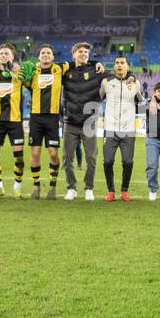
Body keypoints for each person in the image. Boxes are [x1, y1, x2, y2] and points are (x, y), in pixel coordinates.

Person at [0, 43, 32, 198]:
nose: (3, 56)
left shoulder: (19, 73)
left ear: (12, 56)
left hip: (15, 121)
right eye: (1, 53)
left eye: (6, 53)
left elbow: (28, 78)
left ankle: (17, 186)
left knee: (18, 156)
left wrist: (16, 68)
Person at [61, 41, 106, 200]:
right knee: (67, 159)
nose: (83, 54)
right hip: (70, 122)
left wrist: (132, 76)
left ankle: (89, 188)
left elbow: (119, 75)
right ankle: (71, 188)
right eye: (80, 52)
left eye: (86, 53)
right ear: (74, 54)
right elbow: (49, 69)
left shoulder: (96, 70)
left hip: (89, 123)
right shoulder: (65, 70)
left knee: (91, 159)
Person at [25, 44, 67, 199]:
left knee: (53, 153)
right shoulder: (33, 71)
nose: (46, 55)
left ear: (53, 56)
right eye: (43, 53)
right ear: (39, 56)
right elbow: (17, 77)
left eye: (49, 52)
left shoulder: (60, 68)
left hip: (52, 117)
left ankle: (52, 187)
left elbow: (78, 63)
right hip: (35, 117)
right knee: (35, 153)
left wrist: (96, 63)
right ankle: (36, 187)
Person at [99, 55, 144, 201]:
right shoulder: (106, 82)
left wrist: (134, 84)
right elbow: (98, 97)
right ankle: (110, 190)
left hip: (128, 130)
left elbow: (141, 102)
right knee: (107, 161)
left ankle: (124, 190)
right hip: (110, 129)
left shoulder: (135, 82)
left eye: (122, 63)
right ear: (114, 66)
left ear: (127, 66)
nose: (119, 65)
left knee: (128, 162)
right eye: (117, 63)